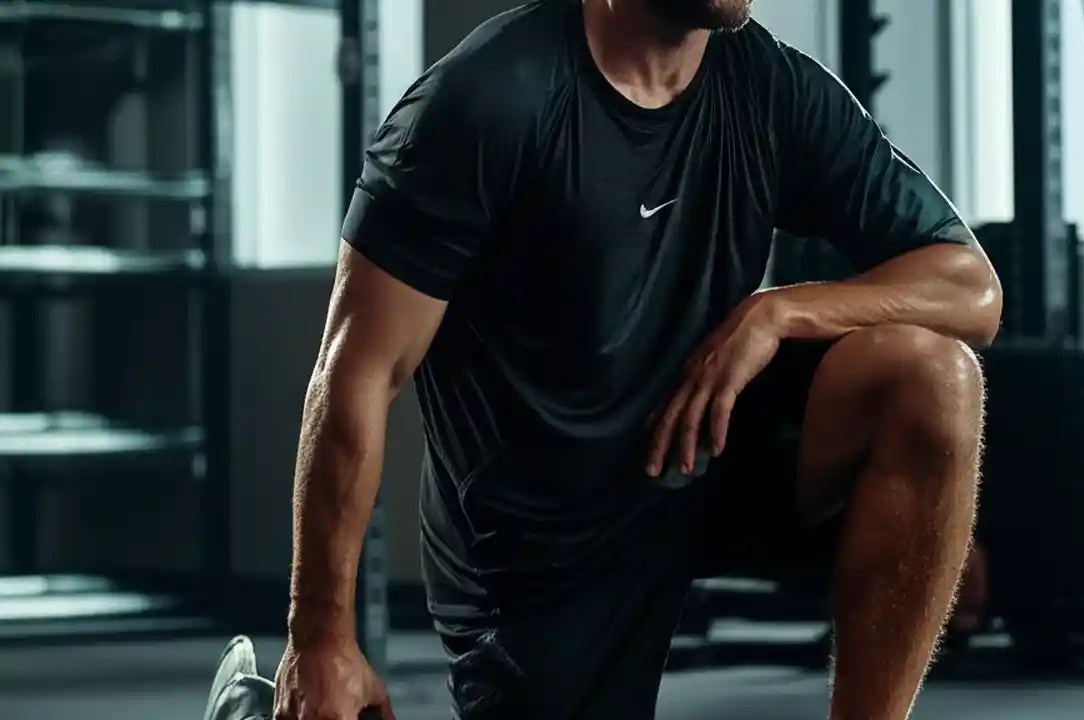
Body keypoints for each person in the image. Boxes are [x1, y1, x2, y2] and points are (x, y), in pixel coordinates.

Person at [272, 0, 1002, 718]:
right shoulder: (489, 98)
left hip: (704, 447)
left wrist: (781, 309)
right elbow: (358, 373)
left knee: (933, 377)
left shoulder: (771, 87)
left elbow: (971, 288)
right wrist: (319, 635)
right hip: (544, 546)